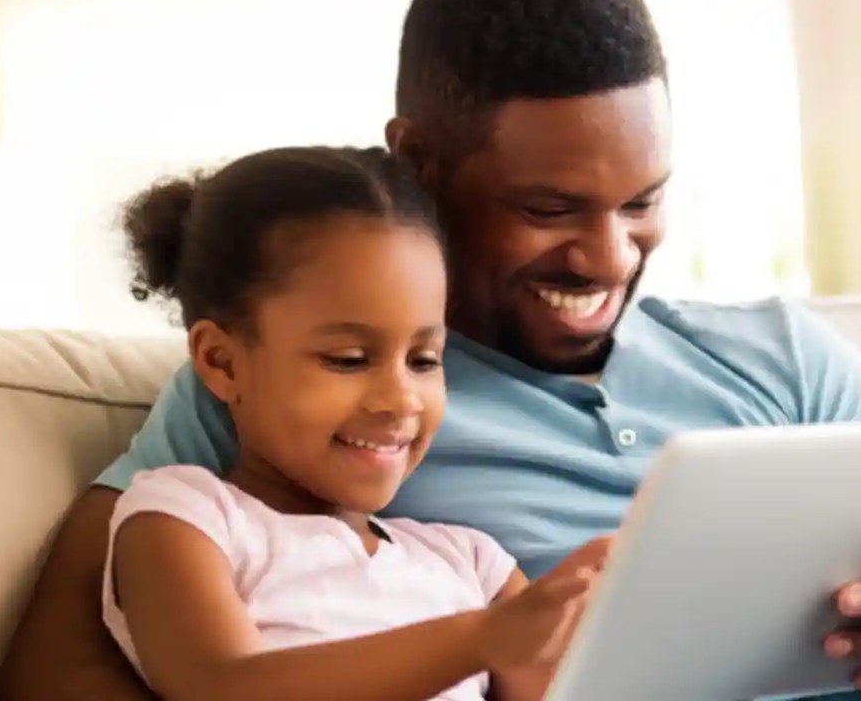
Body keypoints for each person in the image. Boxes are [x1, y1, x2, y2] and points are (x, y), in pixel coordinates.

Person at [0, 0, 861, 699]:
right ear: (419, 162)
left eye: (642, 201)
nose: (608, 259)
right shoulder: (299, 395)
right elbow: (62, 665)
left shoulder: (783, 360)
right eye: (551, 208)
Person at [98, 145, 611, 701]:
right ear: (222, 363)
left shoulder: (471, 565)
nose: (399, 400)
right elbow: (222, 686)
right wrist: (479, 641)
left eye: (424, 360)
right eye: (347, 358)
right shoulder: (185, 518)